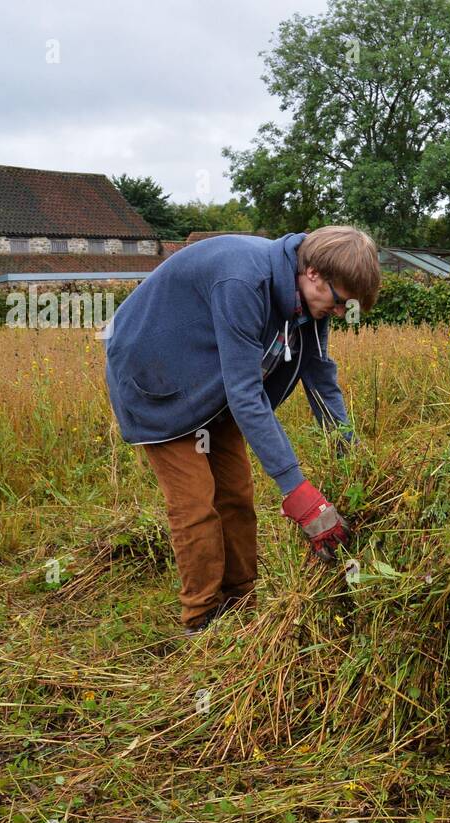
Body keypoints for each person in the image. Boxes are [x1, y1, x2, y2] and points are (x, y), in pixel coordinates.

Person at [104, 227, 380, 634]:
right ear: (314, 273)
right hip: (158, 380)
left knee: (235, 494)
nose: (340, 314)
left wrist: (351, 454)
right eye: (340, 303)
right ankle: (200, 621)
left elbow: (321, 377)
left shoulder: (308, 303)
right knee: (196, 504)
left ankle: (239, 606)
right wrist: (297, 490)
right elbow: (245, 392)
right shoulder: (244, 280)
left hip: (211, 384)